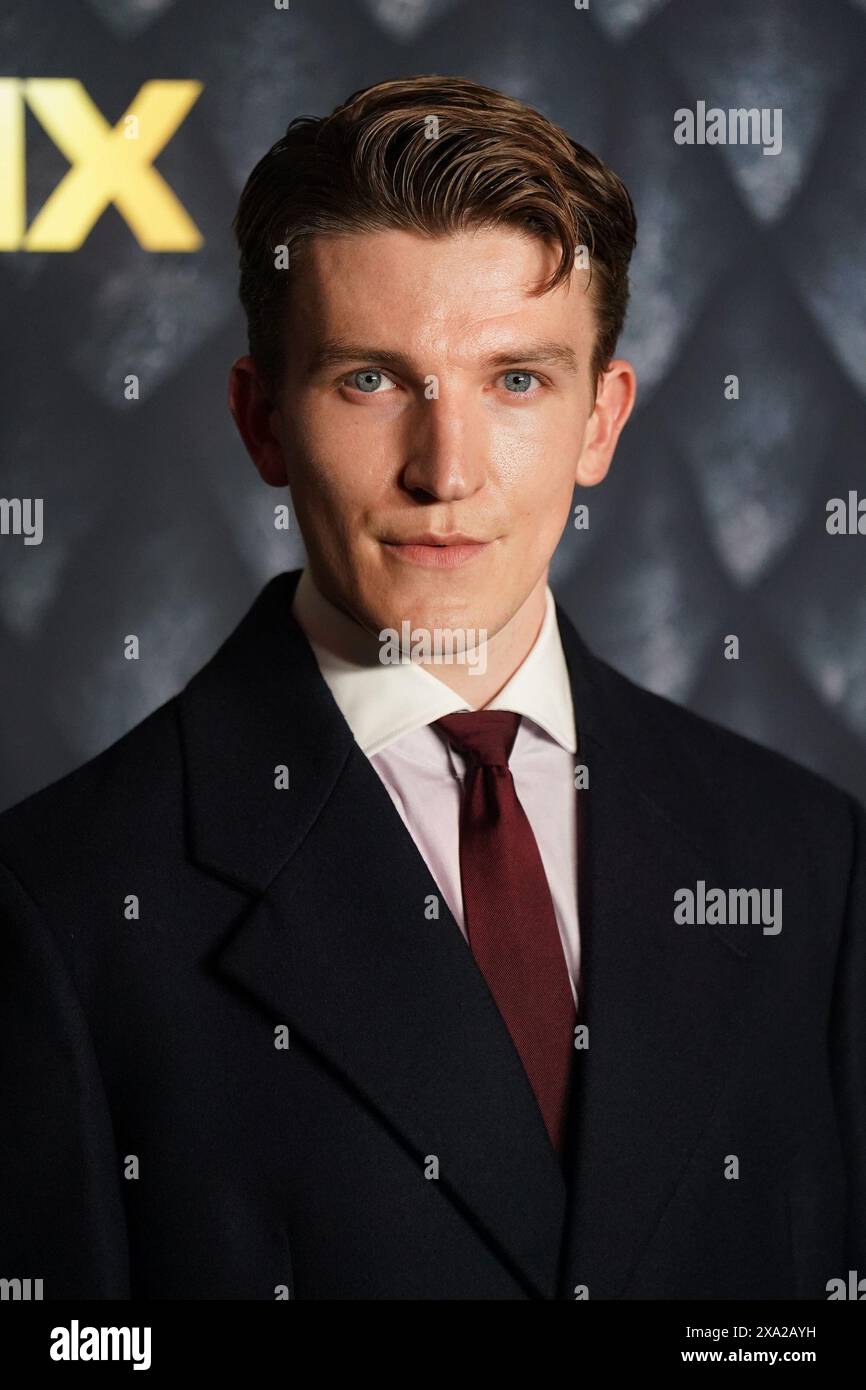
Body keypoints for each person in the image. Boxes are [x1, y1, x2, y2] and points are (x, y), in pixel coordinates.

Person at [0, 75, 862, 1301]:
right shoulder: (66, 906)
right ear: (259, 420)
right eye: (369, 380)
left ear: (598, 422)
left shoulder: (804, 855)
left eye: (515, 380)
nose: (443, 469)